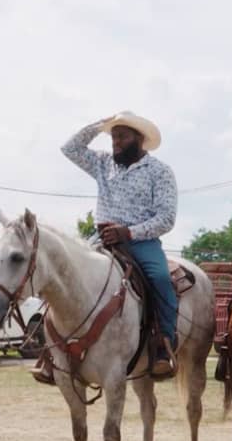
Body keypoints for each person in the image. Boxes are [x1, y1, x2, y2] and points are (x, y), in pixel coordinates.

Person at [57, 111, 179, 381]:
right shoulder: (102, 164)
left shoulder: (159, 172)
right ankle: (53, 350)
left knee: (161, 279)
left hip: (141, 242)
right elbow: (70, 148)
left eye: (122, 136)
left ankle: (163, 344)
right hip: (100, 239)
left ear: (139, 139)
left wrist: (129, 232)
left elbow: (166, 218)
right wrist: (99, 125)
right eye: (113, 137)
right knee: (64, 272)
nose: (116, 142)